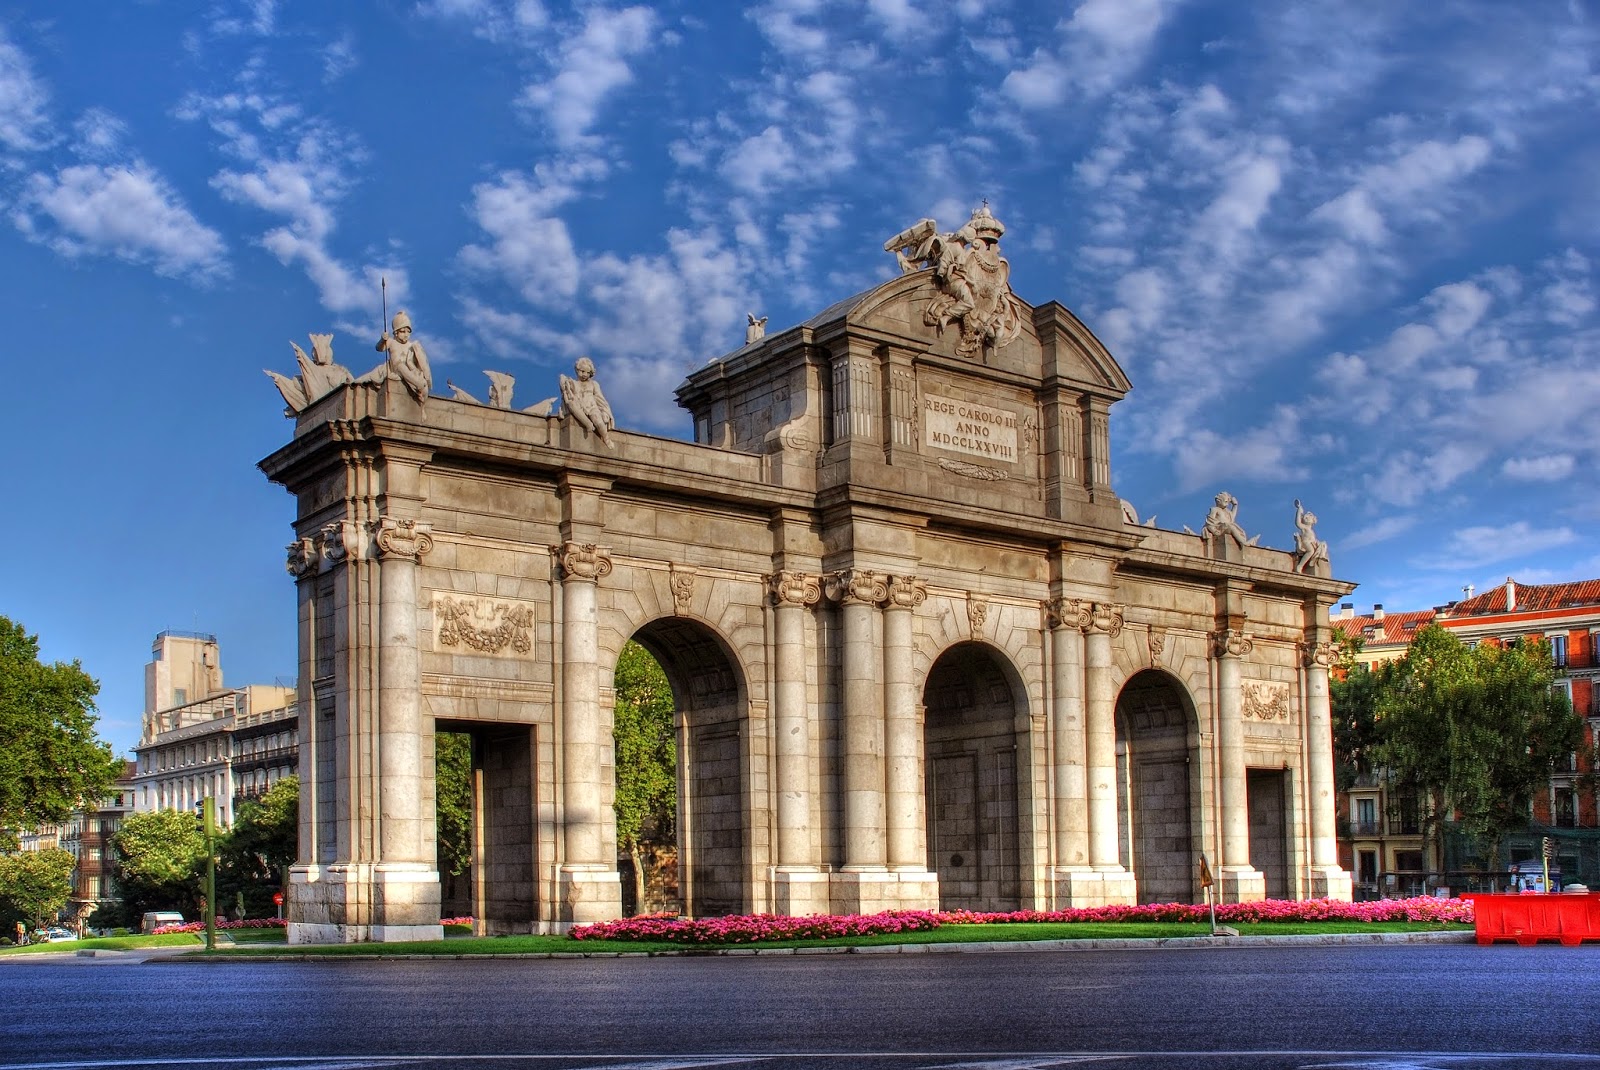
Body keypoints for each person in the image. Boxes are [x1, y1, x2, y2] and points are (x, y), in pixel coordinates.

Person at [375, 310, 432, 405]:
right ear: (396, 332)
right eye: (402, 331)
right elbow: (379, 348)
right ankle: (418, 384)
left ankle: (421, 389)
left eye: (408, 332)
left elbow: (419, 362)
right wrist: (382, 340)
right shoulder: (391, 342)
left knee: (416, 372)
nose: (406, 334)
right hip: (396, 367)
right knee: (401, 366)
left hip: (409, 370)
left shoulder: (411, 345)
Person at [559, 356, 615, 447]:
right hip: (580, 407)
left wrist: (605, 412)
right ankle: (588, 424)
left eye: (587, 372)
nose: (585, 374)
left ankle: (606, 438)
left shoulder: (594, 384)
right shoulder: (574, 383)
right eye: (582, 371)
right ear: (577, 370)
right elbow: (569, 394)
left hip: (592, 407)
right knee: (572, 404)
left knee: (598, 421)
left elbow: (600, 399)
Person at [1293, 499, 1329, 574]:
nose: (1306, 518)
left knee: (1323, 544)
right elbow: (1297, 523)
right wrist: (1299, 511)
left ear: (1313, 521)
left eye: (1308, 517)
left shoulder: (1311, 530)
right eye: (1305, 517)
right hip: (1305, 542)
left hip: (1312, 543)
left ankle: (1321, 556)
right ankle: (1300, 566)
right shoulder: (1304, 527)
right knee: (1311, 551)